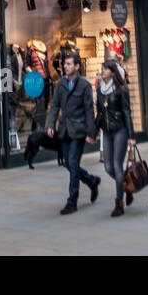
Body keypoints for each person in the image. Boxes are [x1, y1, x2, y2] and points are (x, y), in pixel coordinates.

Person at [46, 51, 100, 215]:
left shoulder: (84, 85)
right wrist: (50, 124)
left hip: (78, 130)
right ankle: (91, 181)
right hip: (64, 130)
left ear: (77, 66)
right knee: (69, 164)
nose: (65, 66)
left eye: (69, 64)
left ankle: (72, 201)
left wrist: (91, 133)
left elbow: (89, 110)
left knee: (73, 162)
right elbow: (55, 105)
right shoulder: (61, 84)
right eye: (65, 63)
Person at [94, 60, 134, 216]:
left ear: (112, 72)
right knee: (108, 167)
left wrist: (131, 136)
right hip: (107, 131)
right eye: (102, 69)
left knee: (117, 165)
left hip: (120, 131)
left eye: (105, 69)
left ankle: (119, 203)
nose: (102, 71)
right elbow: (100, 114)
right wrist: (93, 132)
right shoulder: (99, 91)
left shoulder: (121, 90)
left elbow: (127, 112)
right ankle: (127, 185)